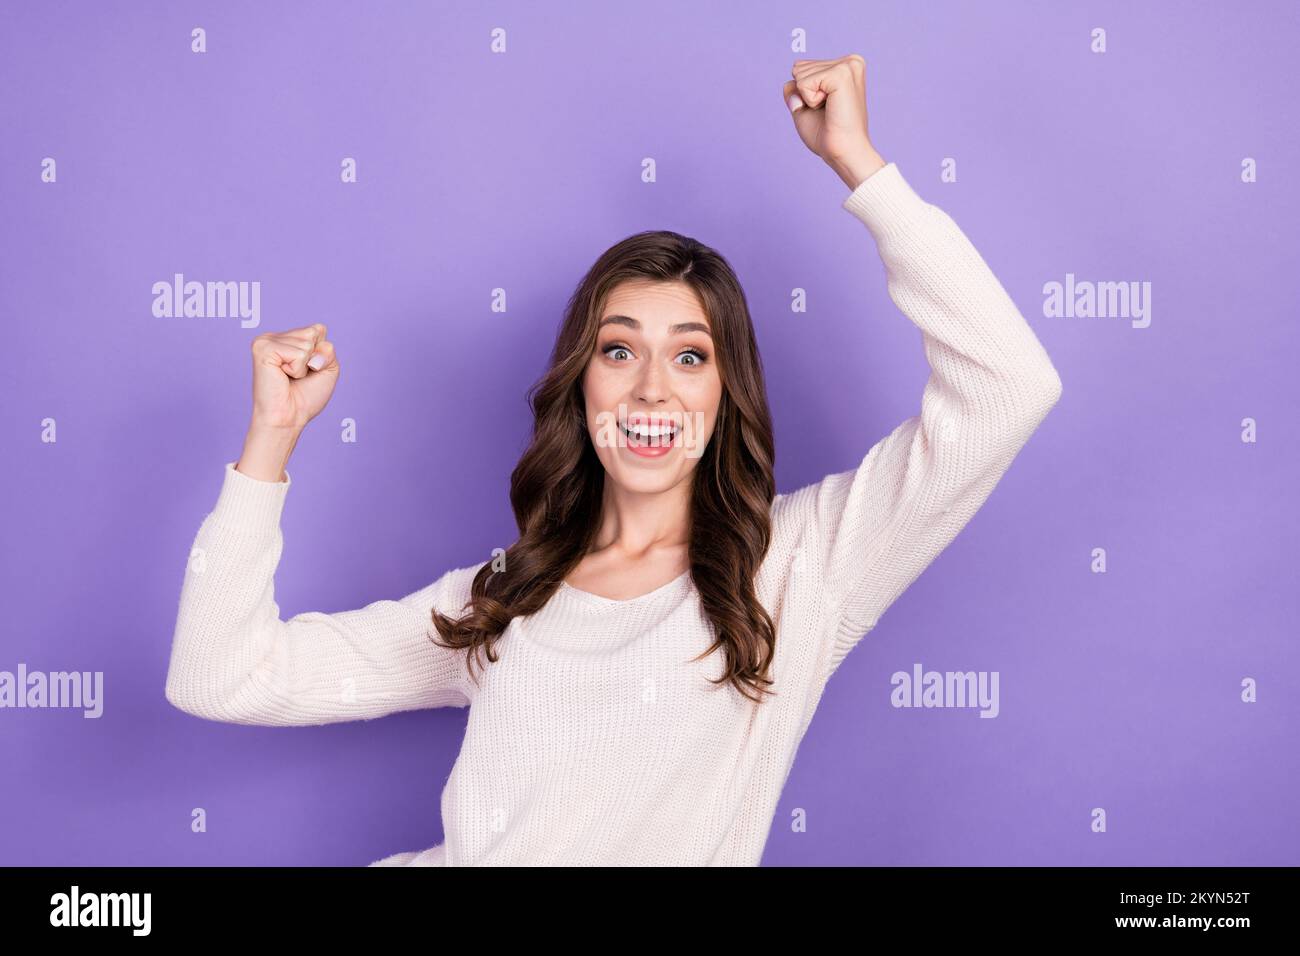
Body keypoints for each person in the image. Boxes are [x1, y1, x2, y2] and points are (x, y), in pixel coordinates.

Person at [165, 55, 1063, 866]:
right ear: (582, 383)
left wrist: (861, 168)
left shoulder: (798, 568)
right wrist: (271, 441)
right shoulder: (505, 595)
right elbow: (221, 678)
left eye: (690, 355)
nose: (651, 392)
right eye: (619, 350)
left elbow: (1009, 388)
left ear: (724, 391)